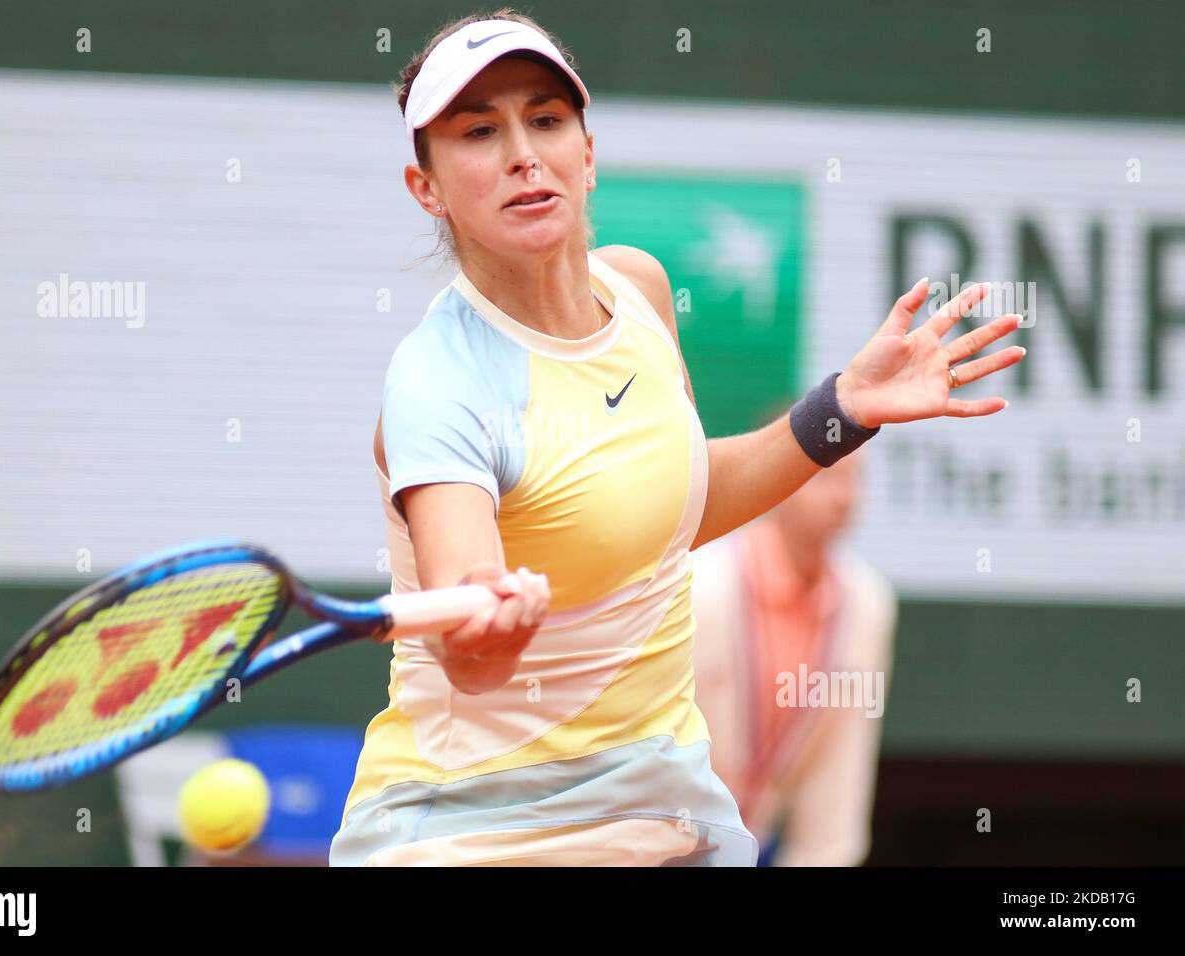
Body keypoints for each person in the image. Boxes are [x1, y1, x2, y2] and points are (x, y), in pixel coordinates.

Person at [328, 8, 1024, 866]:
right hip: (479, 833)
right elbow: (464, 632)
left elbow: (674, 512)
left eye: (545, 120)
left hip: (662, 814)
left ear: (588, 153)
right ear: (425, 186)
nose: (522, 152)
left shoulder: (639, 292)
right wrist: (488, 628)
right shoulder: (438, 383)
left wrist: (842, 408)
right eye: (478, 131)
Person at [690, 446, 895, 866]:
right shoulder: (702, 583)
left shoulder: (868, 605)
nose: (845, 497)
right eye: (827, 478)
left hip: (759, 847)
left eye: (855, 478)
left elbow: (842, 770)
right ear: (778, 484)